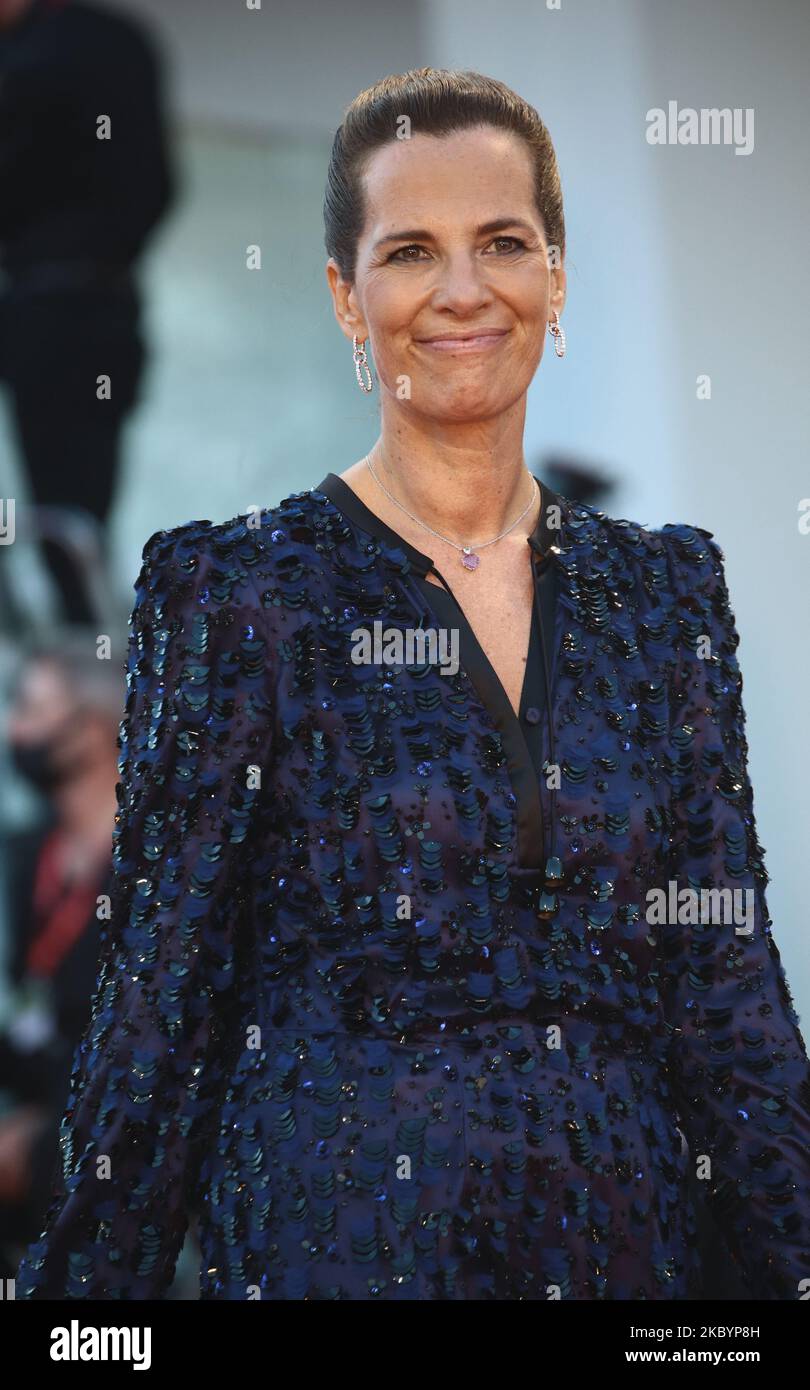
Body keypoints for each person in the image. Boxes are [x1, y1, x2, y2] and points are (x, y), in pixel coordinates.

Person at [15, 68, 810, 1301]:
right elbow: (162, 1004)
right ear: (347, 295)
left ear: (557, 276)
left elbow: (727, 985)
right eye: (409, 252)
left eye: (503, 242)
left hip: (632, 1254)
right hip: (344, 1249)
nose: (460, 291)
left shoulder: (664, 594)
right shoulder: (236, 591)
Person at [0, 0, 175, 623]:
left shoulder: (58, 51)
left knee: (66, 523)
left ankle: (83, 679)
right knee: (70, 520)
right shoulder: (105, 42)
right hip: (78, 304)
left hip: (63, 305)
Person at [0, 630, 121, 1276]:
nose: (17, 732)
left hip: (126, 1121)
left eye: (34, 710)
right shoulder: (29, 853)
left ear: (93, 726)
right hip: (40, 1093)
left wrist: (43, 1139)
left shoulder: (158, 862)